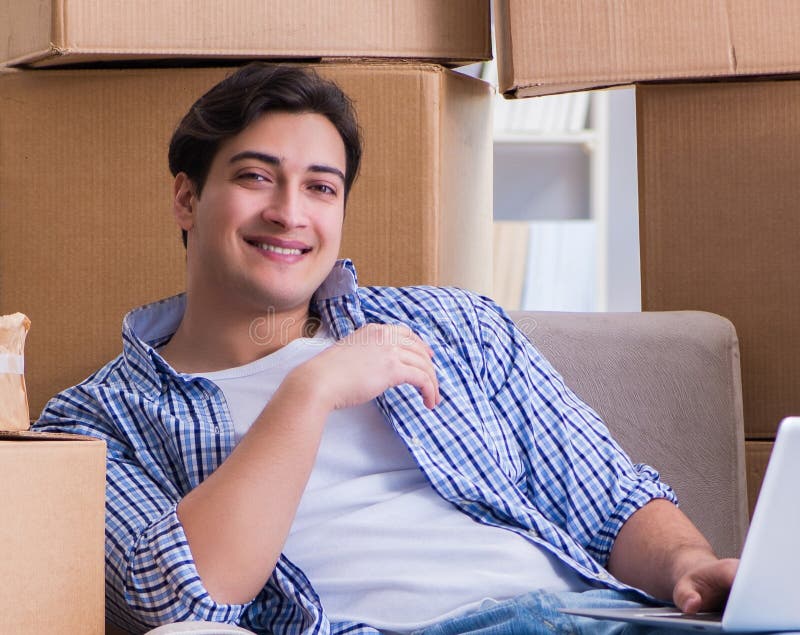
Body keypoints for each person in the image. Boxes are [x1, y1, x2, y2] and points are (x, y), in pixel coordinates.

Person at [34, 63, 737, 635]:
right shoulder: (94, 422)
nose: (289, 211)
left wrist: (687, 565)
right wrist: (310, 392)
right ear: (187, 200)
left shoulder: (453, 323)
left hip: (591, 617)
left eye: (321, 187)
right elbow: (184, 603)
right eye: (255, 176)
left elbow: (608, 498)